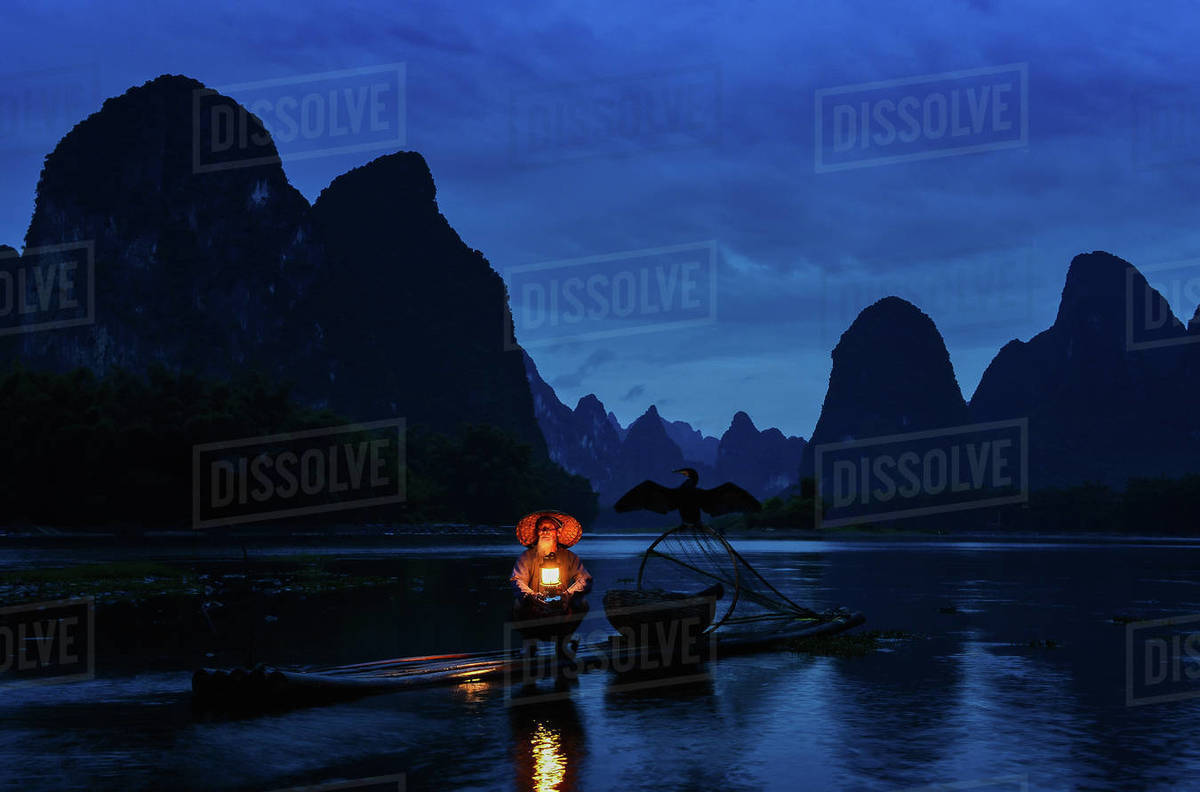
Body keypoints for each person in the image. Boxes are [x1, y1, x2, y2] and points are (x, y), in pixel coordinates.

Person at [510, 511, 592, 665]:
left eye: (549, 528)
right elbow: (516, 580)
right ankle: (530, 645)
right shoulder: (527, 557)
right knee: (518, 604)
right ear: (537, 533)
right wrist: (531, 595)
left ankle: (562, 645)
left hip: (561, 605)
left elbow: (585, 579)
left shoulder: (569, 557)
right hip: (535, 607)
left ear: (558, 532)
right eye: (542, 529)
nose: (545, 532)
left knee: (583, 603)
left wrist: (568, 594)